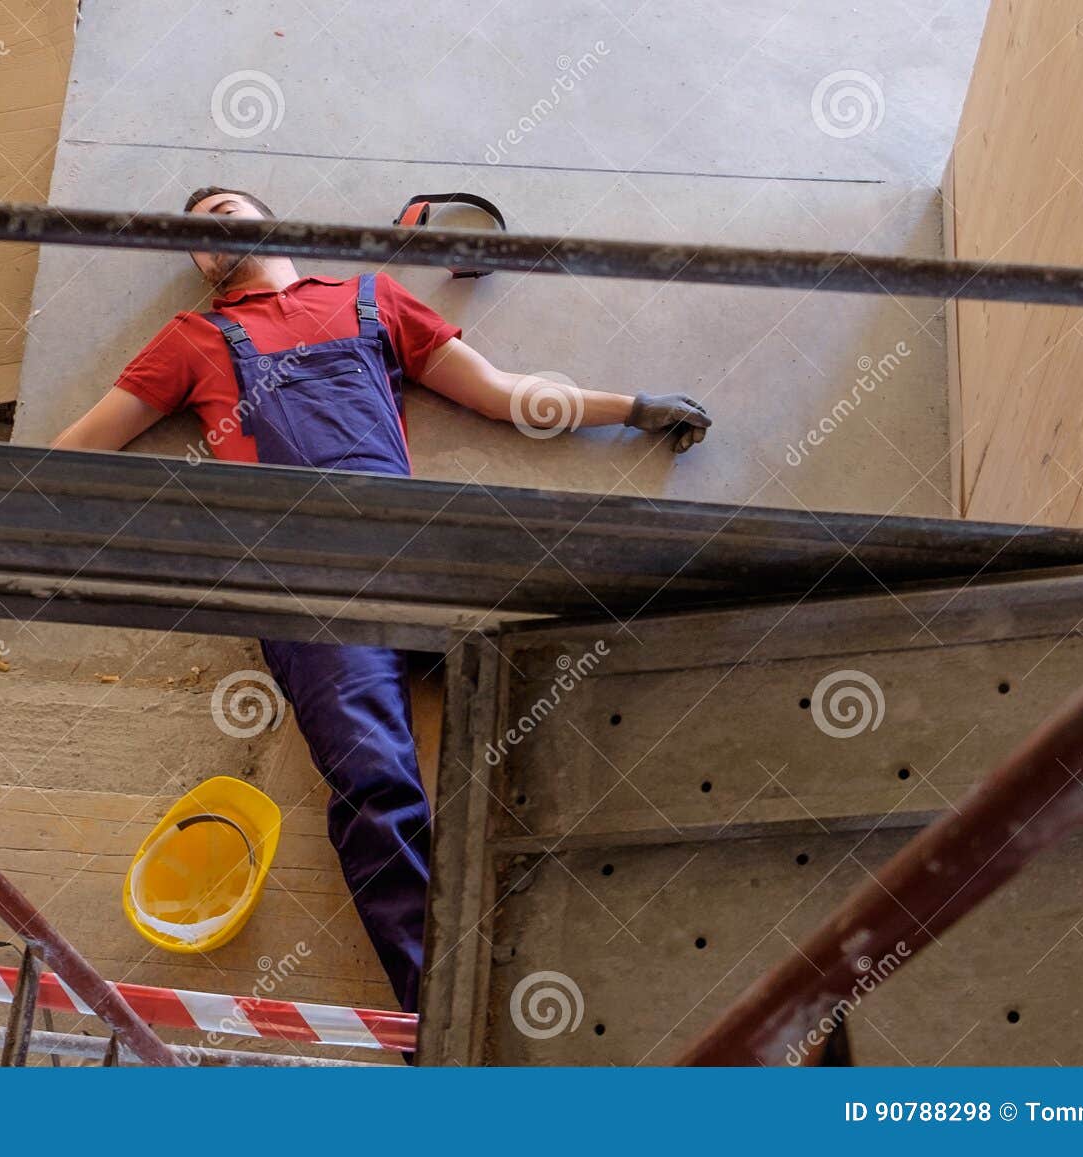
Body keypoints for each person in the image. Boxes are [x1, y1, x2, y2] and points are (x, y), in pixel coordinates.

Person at [52, 187, 712, 1014]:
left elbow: (504, 395)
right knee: (376, 783)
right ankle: (449, 1021)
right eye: (195, 230)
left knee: (575, 665)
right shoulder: (192, 340)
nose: (209, 228)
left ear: (274, 219)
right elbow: (70, 458)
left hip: (416, 550)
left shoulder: (370, 298)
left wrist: (633, 408)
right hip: (301, 579)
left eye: (224, 207)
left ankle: (617, 931)